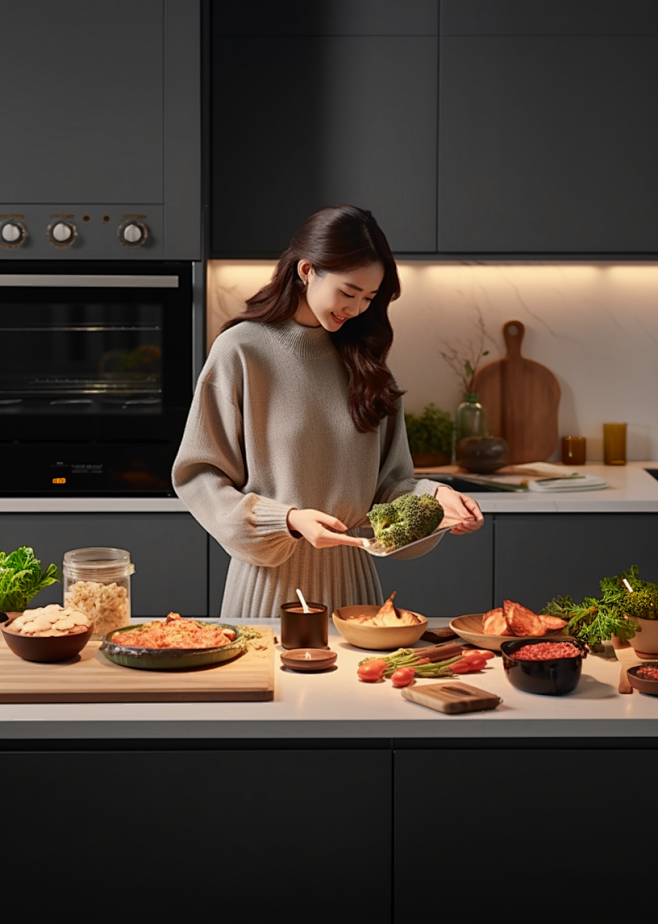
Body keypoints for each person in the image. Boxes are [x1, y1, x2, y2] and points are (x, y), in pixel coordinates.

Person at [172, 206, 484, 618]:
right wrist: (287, 520)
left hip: (355, 594)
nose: (355, 309)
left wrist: (435, 501)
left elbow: (390, 488)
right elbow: (200, 477)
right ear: (307, 271)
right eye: (348, 292)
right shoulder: (241, 351)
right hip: (266, 592)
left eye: (369, 298)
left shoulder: (367, 364)